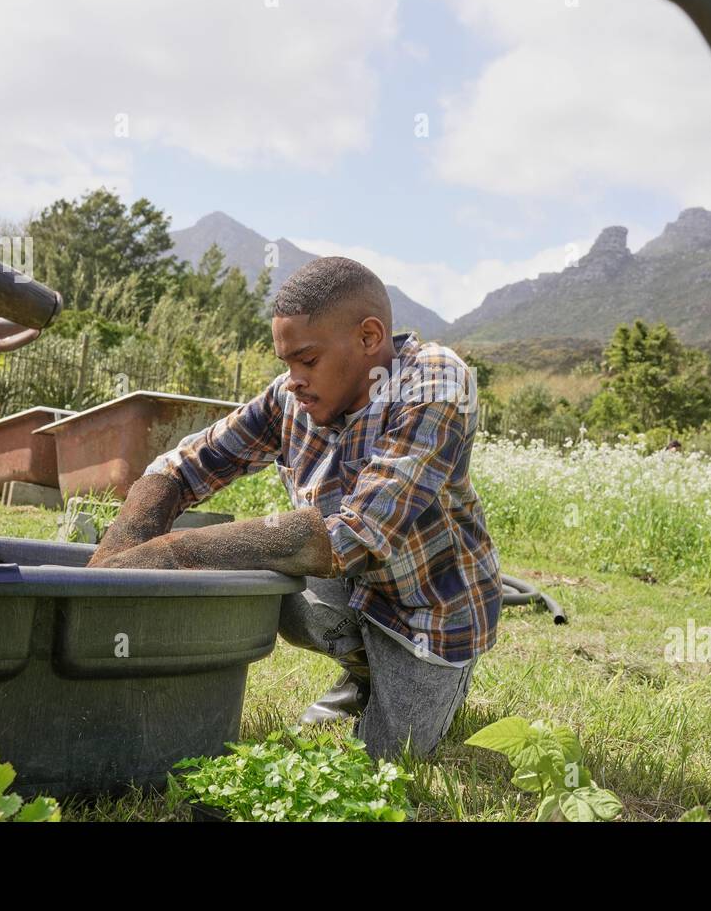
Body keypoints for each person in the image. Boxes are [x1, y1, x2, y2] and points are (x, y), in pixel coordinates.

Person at [87, 256, 502, 761]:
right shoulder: (293, 397)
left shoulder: (435, 385)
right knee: (255, 584)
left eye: (307, 360)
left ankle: (423, 681)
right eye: (286, 363)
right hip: (348, 584)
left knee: (381, 764)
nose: (294, 379)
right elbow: (182, 467)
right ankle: (365, 667)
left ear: (370, 338)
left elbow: (359, 537)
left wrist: (172, 554)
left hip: (429, 612)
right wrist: (107, 572)